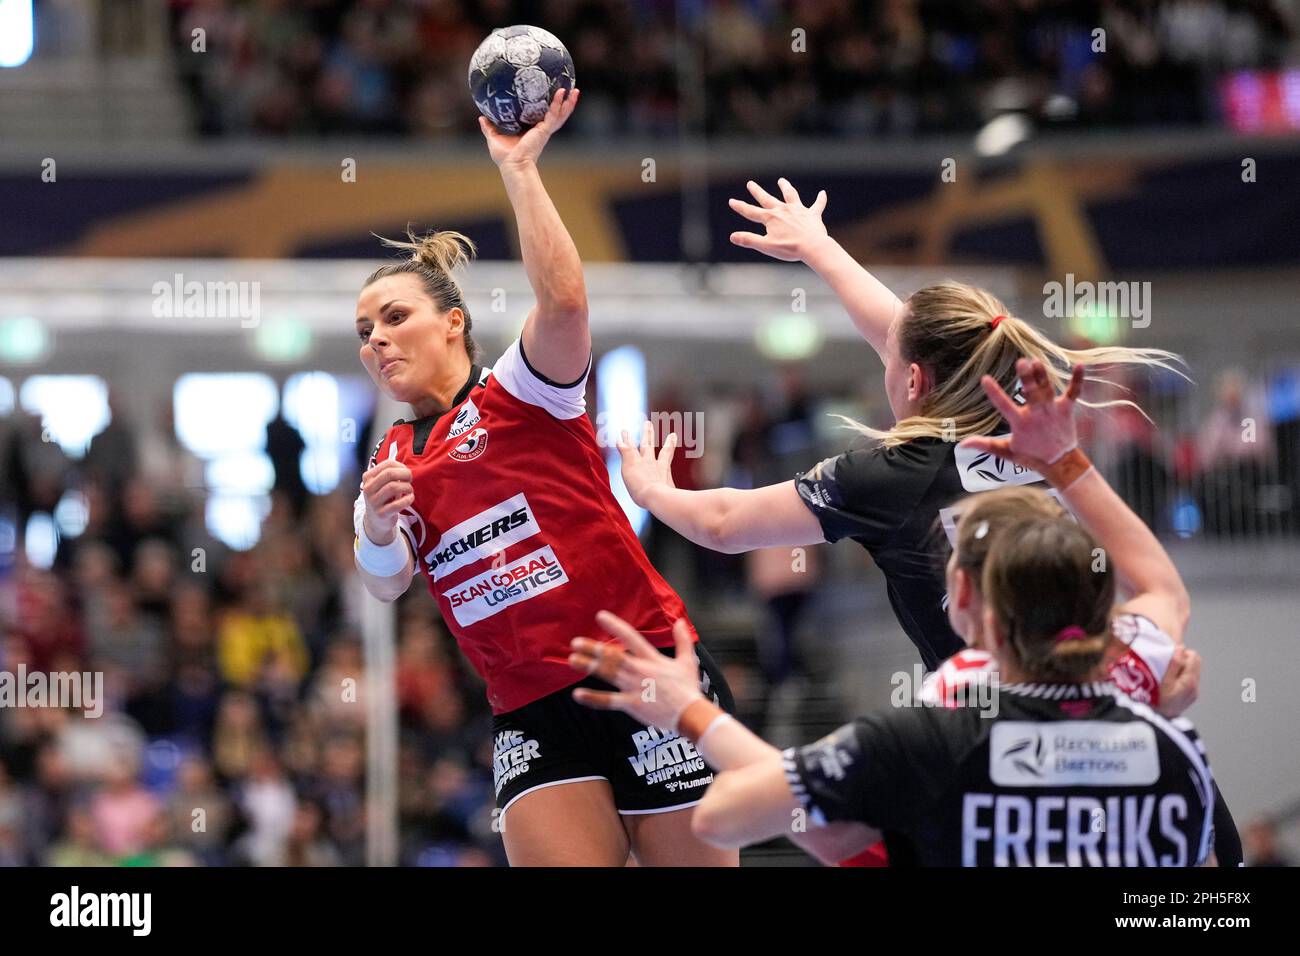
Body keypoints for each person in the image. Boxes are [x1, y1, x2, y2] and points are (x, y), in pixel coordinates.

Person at [569, 360, 1218, 866]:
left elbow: (727, 817)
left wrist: (687, 708)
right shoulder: (1158, 720)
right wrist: (1068, 461)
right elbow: (1163, 586)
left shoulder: (936, 730)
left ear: (961, 597)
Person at [350, 89, 735, 867]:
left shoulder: (523, 393)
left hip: (645, 669)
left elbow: (563, 303)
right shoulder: (390, 457)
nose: (376, 341)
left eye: (394, 317)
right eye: (363, 332)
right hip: (529, 710)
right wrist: (377, 526)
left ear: (453, 321)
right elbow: (385, 583)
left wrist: (519, 168)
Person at [619, 178, 1182, 670]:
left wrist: (649, 491)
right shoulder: (1042, 446)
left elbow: (722, 523)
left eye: (889, 359)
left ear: (913, 382)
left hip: (978, 748)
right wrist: (820, 249)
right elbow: (1162, 591)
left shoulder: (889, 478)